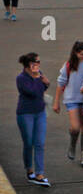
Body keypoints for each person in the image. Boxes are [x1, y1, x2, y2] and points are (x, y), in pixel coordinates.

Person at [52, 41, 83, 168]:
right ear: (75, 53)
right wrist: (56, 102)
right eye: (82, 54)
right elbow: (61, 83)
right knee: (75, 127)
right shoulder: (68, 65)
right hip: (71, 99)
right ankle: (73, 143)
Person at [16, 53, 50, 186]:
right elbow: (33, 92)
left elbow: (42, 88)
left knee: (40, 143)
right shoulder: (21, 78)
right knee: (28, 143)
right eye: (36, 62)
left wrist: (45, 83)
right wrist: (39, 79)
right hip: (25, 114)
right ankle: (29, 170)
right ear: (29, 65)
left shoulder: (38, 74)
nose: (39, 64)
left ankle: (40, 174)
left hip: (40, 112)